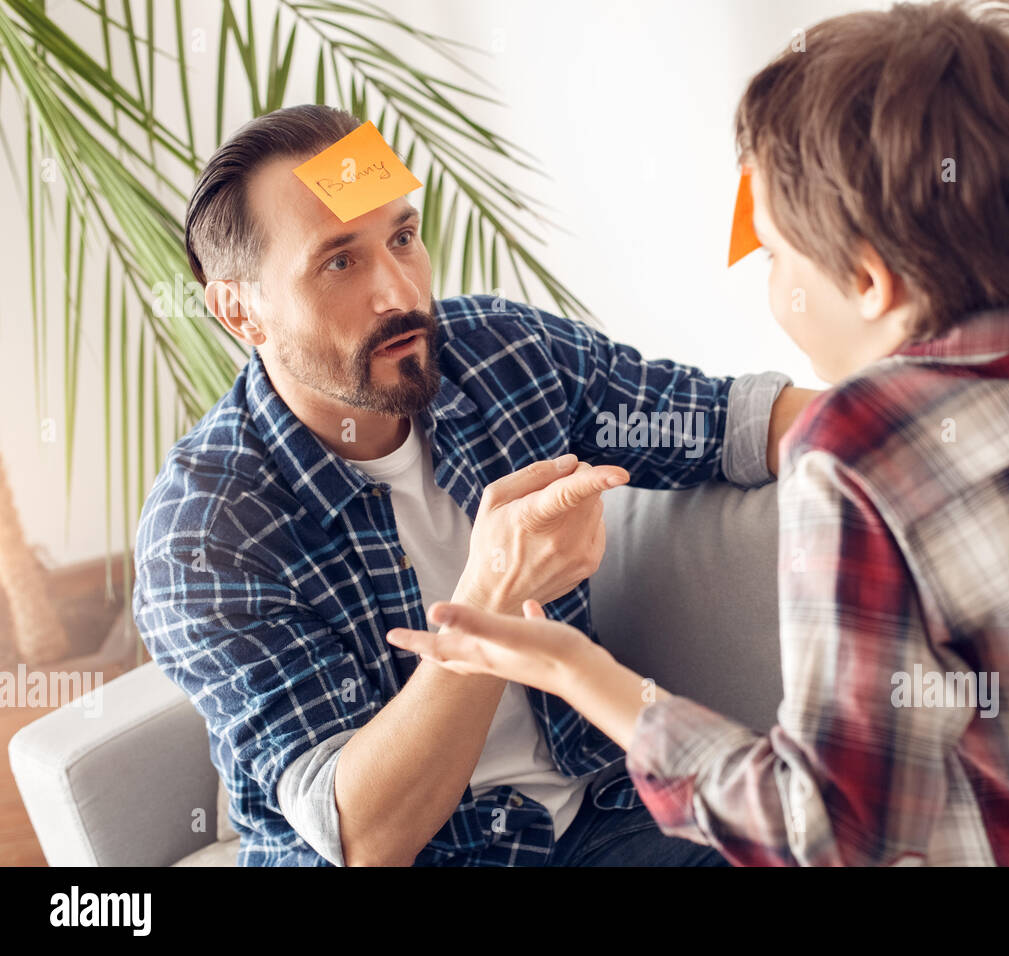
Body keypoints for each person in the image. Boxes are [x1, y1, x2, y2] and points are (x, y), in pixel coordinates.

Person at [388, 0, 1009, 865]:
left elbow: (827, 836)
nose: (770, 278)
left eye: (776, 255)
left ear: (869, 283)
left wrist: (585, 675)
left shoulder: (857, 452)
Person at [132, 103, 820, 866]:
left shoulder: (499, 352)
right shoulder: (204, 532)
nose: (399, 292)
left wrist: (924, 416)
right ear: (240, 310)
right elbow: (362, 834)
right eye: (339, 261)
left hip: (605, 815)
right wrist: (493, 588)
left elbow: (726, 423)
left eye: (401, 237)